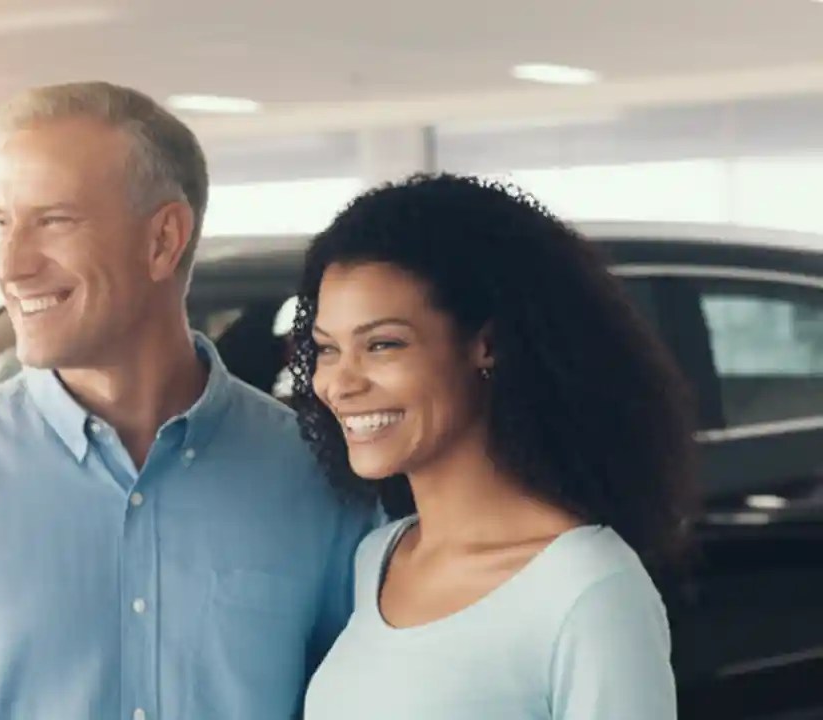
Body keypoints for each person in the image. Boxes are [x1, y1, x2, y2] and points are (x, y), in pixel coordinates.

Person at [0, 81, 374, 720]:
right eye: (2, 223)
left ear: (162, 240)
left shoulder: (315, 477)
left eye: (53, 220)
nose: (11, 265)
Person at [294, 174, 698, 719]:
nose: (340, 383)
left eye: (382, 344)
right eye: (327, 349)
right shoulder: (378, 559)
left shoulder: (587, 588)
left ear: (488, 344)